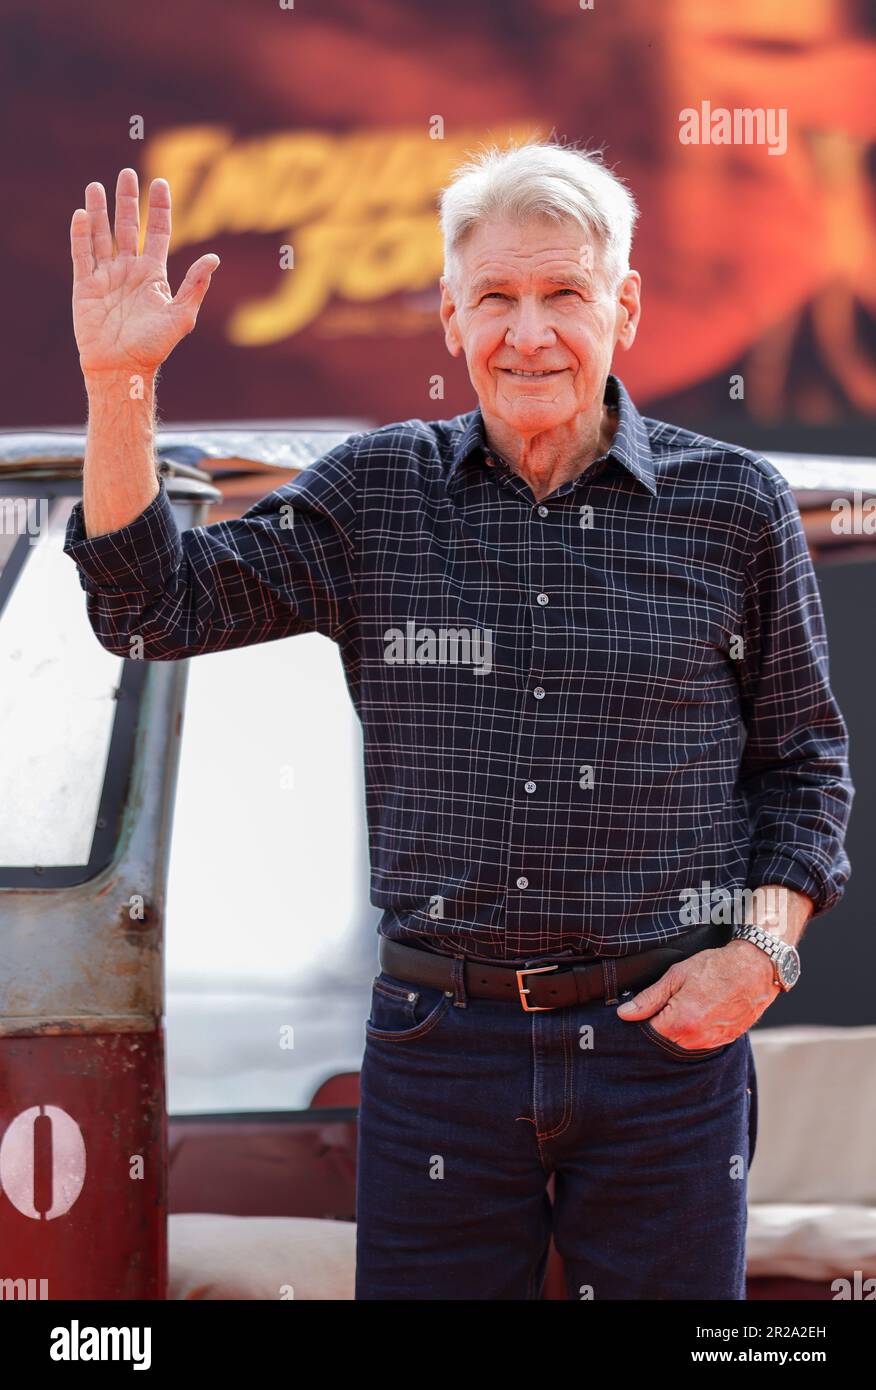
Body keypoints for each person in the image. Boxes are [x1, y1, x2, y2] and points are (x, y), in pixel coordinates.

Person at [63, 142, 853, 1300]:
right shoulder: (377, 492)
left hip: (667, 1050)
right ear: (449, 316)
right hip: (443, 1051)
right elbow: (149, 608)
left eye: (564, 295)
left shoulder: (733, 504)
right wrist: (119, 383)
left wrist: (761, 955)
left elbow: (806, 771)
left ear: (623, 306)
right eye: (495, 297)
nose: (528, 333)